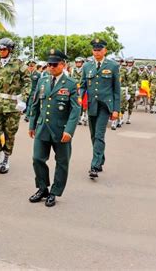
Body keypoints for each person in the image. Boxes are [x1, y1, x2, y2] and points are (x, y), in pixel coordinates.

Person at [28, 49, 80, 207]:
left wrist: (69, 131)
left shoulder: (71, 84)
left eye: (54, 64)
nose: (51, 67)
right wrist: (32, 124)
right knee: (37, 159)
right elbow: (36, 104)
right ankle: (43, 188)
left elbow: (75, 110)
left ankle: (54, 192)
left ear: (63, 65)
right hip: (42, 127)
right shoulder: (42, 81)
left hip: (61, 129)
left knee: (62, 162)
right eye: (49, 64)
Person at [0, 38, 30, 174]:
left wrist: (24, 100)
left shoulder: (19, 64)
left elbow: (27, 82)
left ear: (10, 50)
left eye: (3, 49)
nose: (1, 51)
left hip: (13, 105)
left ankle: (6, 159)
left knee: (10, 133)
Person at [79, 39, 120, 179]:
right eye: (95, 50)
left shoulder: (113, 66)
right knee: (93, 135)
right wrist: (80, 96)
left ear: (105, 51)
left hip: (105, 106)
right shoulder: (86, 66)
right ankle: (100, 158)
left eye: (99, 50)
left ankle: (94, 165)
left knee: (99, 135)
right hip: (91, 104)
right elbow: (83, 85)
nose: (97, 52)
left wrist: (116, 109)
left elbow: (116, 90)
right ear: (92, 51)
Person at [71, 57, 87, 126]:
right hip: (74, 88)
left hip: (81, 88)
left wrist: (81, 86)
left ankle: (81, 117)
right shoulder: (73, 70)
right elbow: (71, 78)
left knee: (80, 103)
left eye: (79, 62)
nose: (78, 63)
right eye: (76, 62)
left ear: (82, 63)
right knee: (73, 102)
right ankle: (76, 117)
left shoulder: (84, 70)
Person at [123, 57, 139, 124]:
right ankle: (121, 117)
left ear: (133, 63)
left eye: (131, 62)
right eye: (128, 62)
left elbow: (139, 79)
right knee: (123, 103)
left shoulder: (136, 69)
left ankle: (129, 118)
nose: (130, 63)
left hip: (132, 88)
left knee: (131, 103)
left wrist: (138, 89)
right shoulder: (123, 69)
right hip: (125, 88)